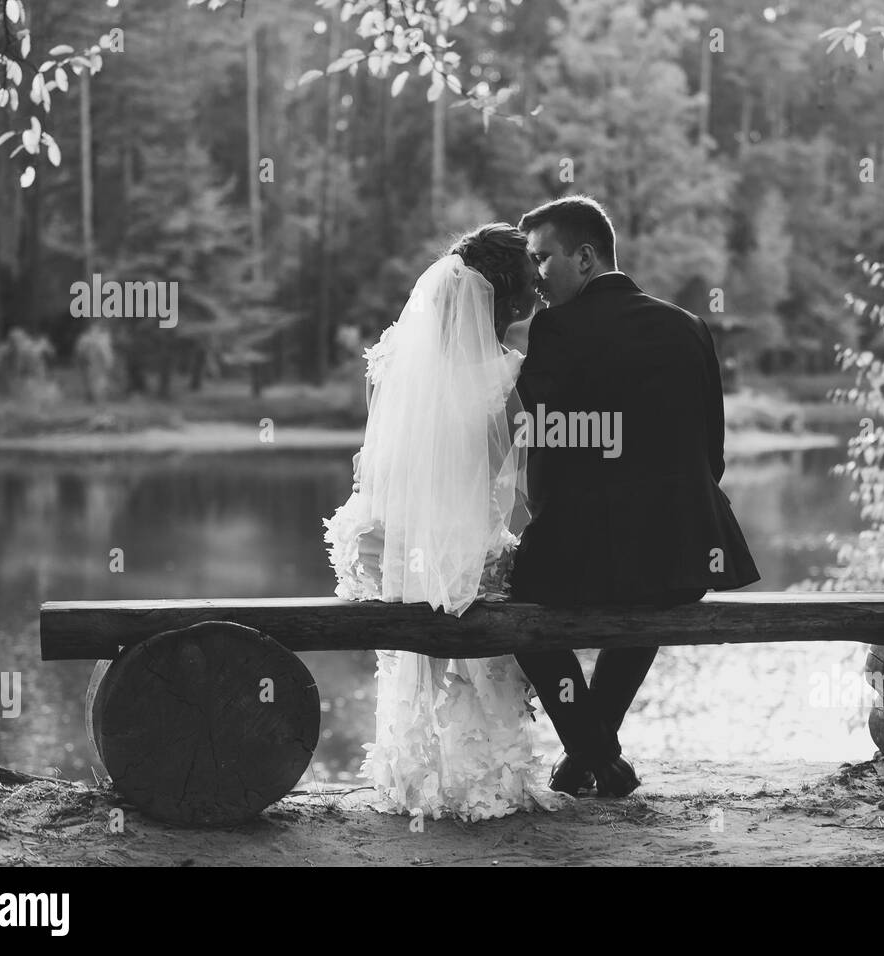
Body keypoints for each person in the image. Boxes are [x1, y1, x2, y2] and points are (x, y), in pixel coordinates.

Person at [509, 195, 761, 797]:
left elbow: (547, 456)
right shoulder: (689, 326)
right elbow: (713, 457)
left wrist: (549, 523)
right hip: (685, 551)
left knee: (521, 620)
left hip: (585, 548)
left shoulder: (555, 330)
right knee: (648, 601)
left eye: (542, 259)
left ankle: (591, 755)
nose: (534, 278)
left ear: (587, 257)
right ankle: (594, 758)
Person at [323, 223, 557, 821]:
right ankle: (480, 783)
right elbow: (516, 483)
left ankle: (413, 778)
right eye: (532, 283)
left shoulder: (404, 361)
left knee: (418, 652)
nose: (538, 292)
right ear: (505, 297)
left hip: (399, 541)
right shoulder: (507, 377)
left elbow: (372, 465)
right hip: (467, 550)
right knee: (492, 609)